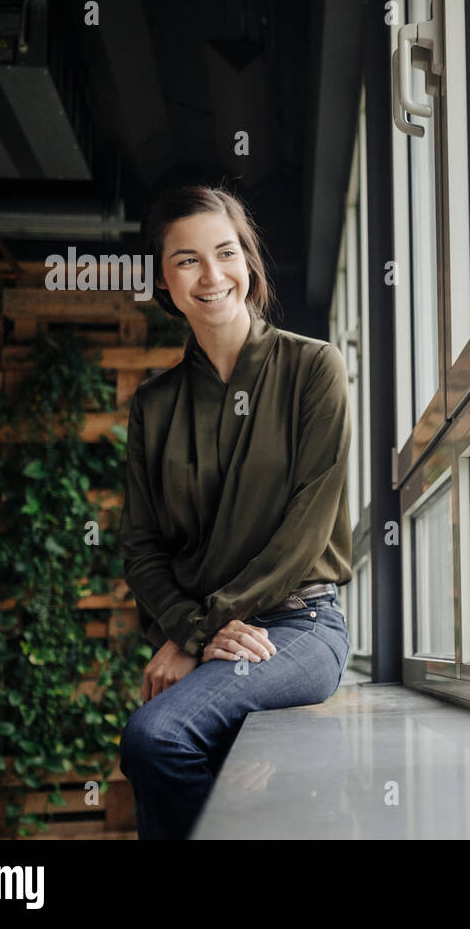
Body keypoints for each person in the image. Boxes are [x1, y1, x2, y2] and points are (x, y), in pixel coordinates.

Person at [117, 184, 352, 839]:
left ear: (248, 262)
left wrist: (197, 634)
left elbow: (304, 534)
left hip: (299, 627)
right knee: (178, 745)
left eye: (225, 252)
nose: (211, 274)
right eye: (186, 259)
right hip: (206, 631)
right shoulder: (153, 405)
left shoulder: (315, 369)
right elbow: (140, 547)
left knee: (156, 737)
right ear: (163, 281)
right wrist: (197, 630)